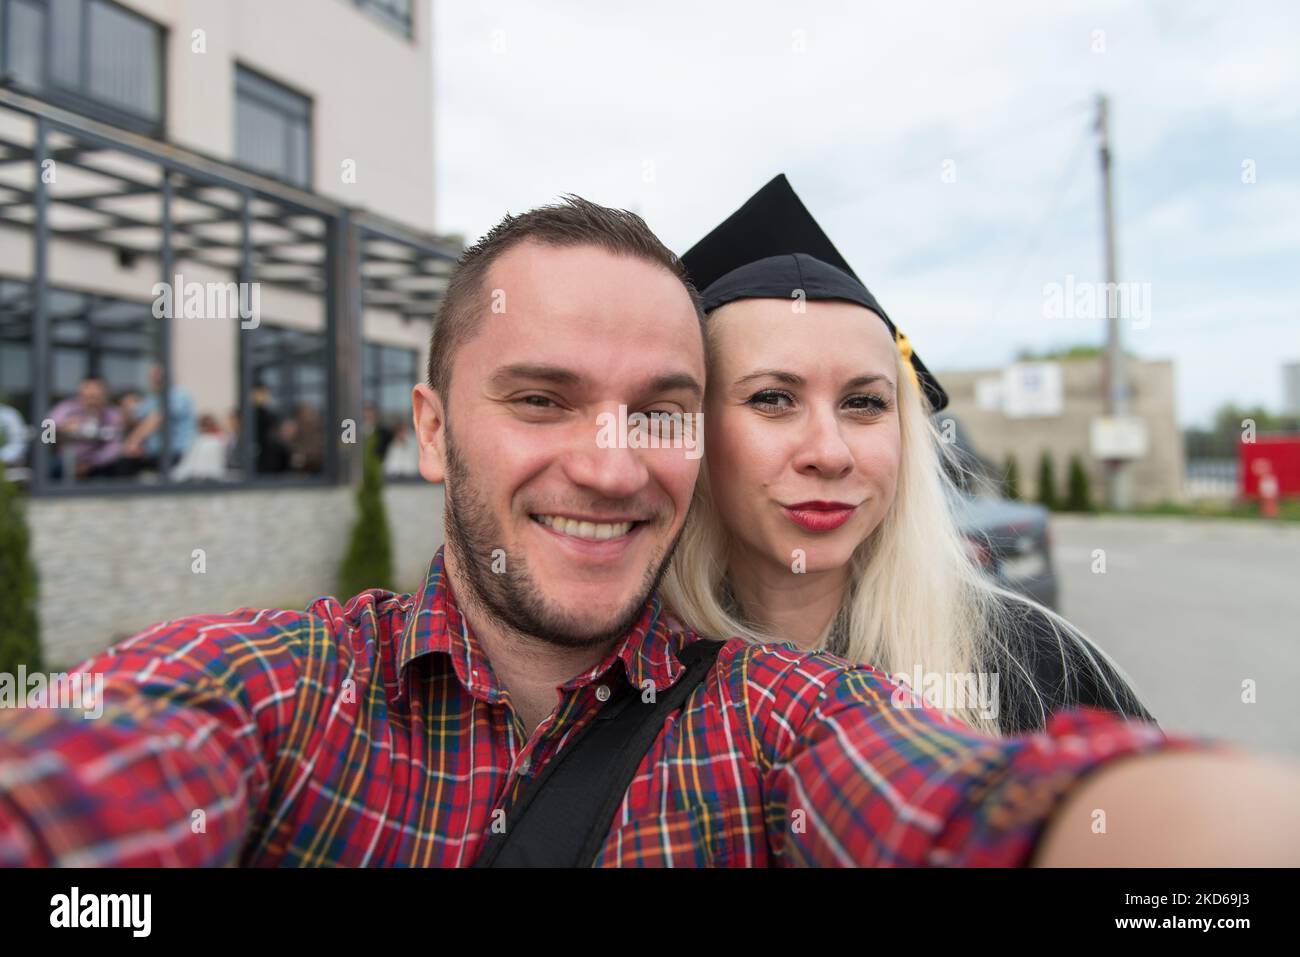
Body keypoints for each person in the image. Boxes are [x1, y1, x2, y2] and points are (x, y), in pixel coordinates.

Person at [0, 196, 1296, 868]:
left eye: (867, 403)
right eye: (541, 398)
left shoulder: (785, 716)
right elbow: (109, 766)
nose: (609, 464)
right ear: (434, 428)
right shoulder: (276, 694)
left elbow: (985, 808)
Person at [663, 176, 1150, 735]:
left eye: (865, 402)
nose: (830, 452)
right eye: (773, 398)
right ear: (694, 426)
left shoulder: (1038, 669)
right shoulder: (627, 681)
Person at [46, 376, 124, 480]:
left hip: (97, 465)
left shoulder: (113, 415)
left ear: (105, 396)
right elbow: (46, 432)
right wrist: (62, 428)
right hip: (64, 461)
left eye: (96, 397)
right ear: (80, 395)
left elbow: (114, 447)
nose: (92, 402)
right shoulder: (66, 409)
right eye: (88, 397)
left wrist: (92, 462)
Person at [122, 362, 196, 472]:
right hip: (155, 455)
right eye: (151, 376)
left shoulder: (179, 394)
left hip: (178, 455)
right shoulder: (153, 398)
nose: (153, 379)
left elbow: (157, 418)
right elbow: (135, 417)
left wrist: (133, 441)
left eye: (157, 375)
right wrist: (127, 405)